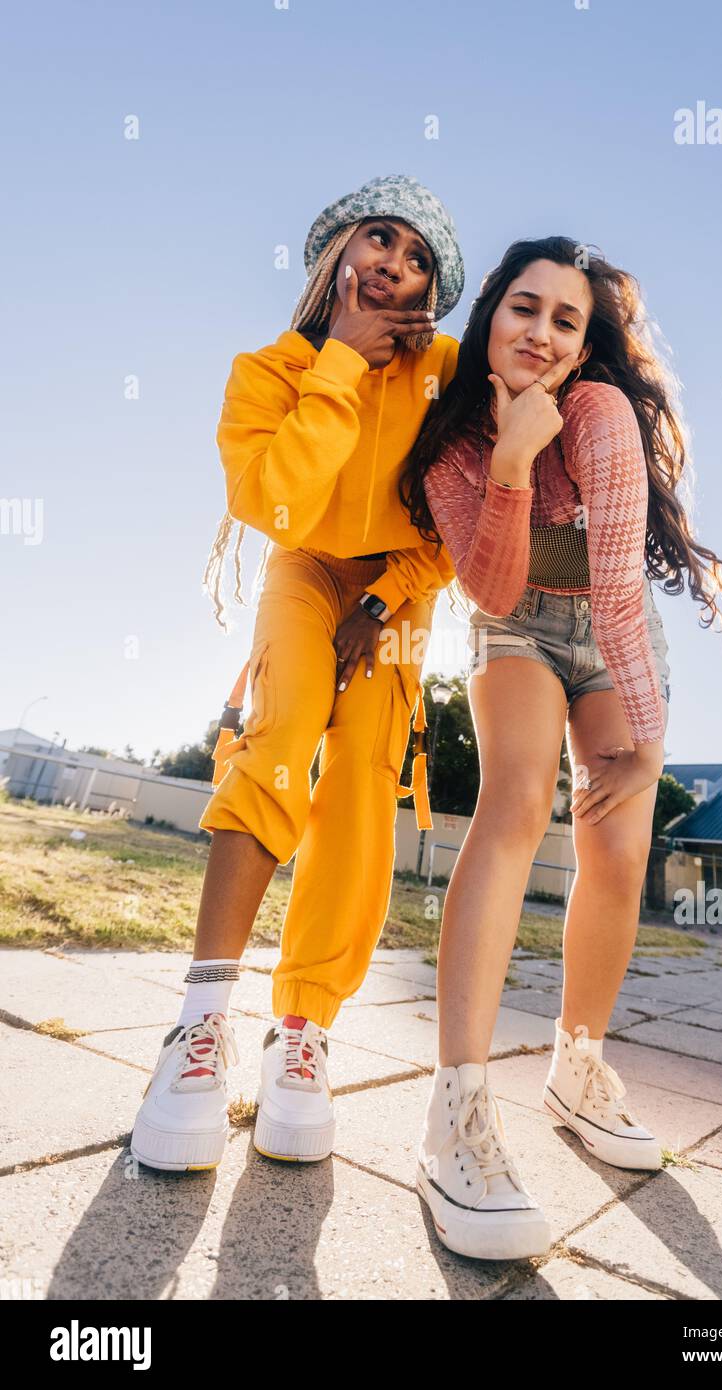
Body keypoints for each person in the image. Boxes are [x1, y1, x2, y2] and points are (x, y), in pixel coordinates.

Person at [399, 235, 722, 1259]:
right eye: (526, 308)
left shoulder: (600, 413)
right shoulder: (455, 445)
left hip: (616, 632)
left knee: (621, 851)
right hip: (518, 629)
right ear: (491, 316)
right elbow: (497, 591)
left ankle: (578, 1065)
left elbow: (620, 589)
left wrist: (643, 741)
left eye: (568, 321)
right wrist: (509, 459)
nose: (544, 334)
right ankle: (455, 1112)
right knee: (512, 804)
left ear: (588, 344)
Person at [130, 175, 465, 1173]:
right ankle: (198, 1025)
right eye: (379, 238)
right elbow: (274, 503)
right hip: (301, 570)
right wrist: (340, 370)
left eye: (418, 256)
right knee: (276, 748)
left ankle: (303, 1034)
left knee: (362, 784)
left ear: (430, 290)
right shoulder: (267, 371)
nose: (395, 262)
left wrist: (382, 602)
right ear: (334, 257)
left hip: (395, 598)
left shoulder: (450, 373)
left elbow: (460, 518)